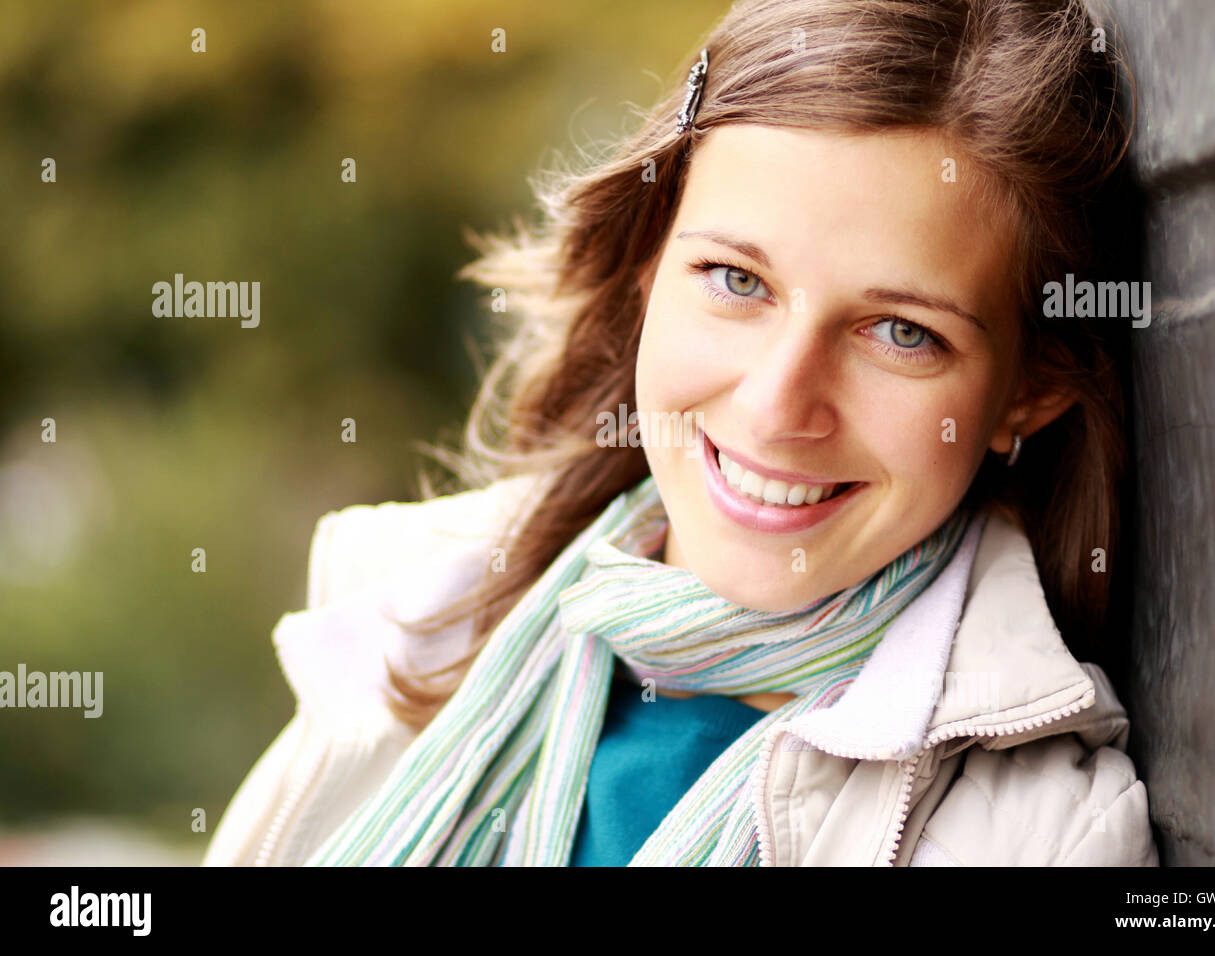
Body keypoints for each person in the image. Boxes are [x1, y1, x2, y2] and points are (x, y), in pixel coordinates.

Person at [203, 0, 1159, 867]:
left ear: (1026, 393)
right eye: (737, 281)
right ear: (647, 266)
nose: (778, 406)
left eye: (903, 332)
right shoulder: (409, 620)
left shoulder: (1044, 843)